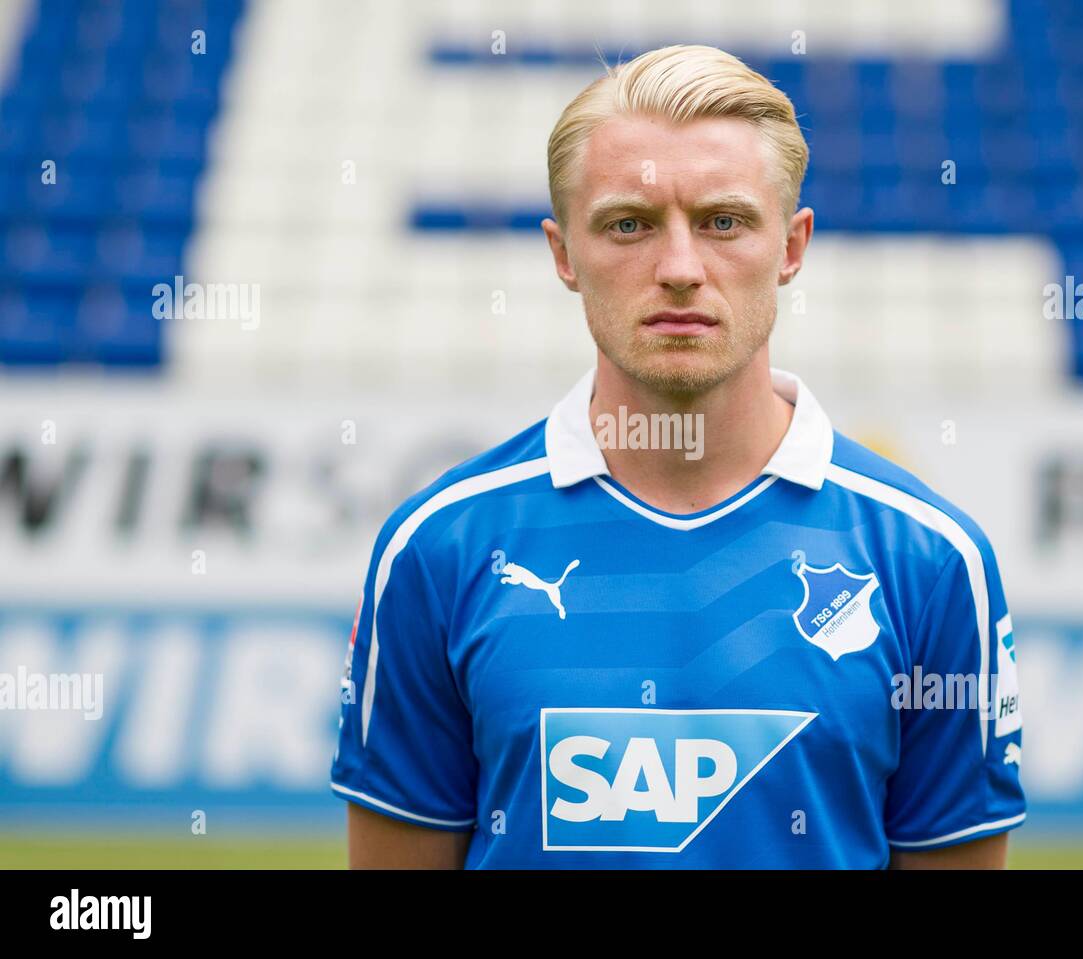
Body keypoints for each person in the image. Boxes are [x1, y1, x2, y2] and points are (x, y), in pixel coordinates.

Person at [331, 44, 1025, 868]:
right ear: (563, 255)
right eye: (630, 224)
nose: (681, 269)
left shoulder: (932, 563)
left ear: (793, 247)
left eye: (723, 222)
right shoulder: (439, 550)